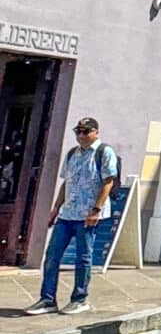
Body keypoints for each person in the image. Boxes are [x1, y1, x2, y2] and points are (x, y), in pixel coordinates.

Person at [25, 117, 119, 316]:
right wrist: (55, 209)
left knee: (83, 257)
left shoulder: (104, 152)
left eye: (86, 132)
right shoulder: (72, 154)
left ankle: (80, 298)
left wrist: (96, 209)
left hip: (88, 214)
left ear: (96, 132)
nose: (81, 136)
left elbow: (108, 182)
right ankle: (47, 299)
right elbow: (66, 183)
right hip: (68, 213)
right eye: (78, 132)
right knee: (52, 255)